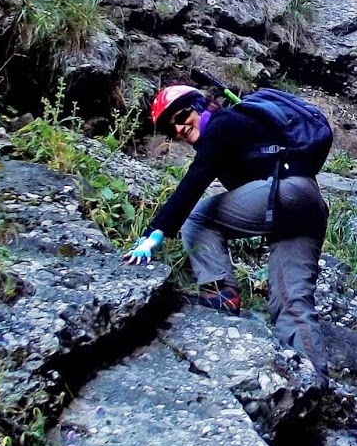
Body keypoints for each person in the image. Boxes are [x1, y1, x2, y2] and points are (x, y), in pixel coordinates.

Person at [124, 83, 331, 372]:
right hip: (308, 207)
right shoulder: (240, 127)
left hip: (285, 193)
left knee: (197, 217)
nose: (180, 129)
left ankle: (220, 291)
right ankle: (315, 379)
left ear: (200, 106)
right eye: (172, 129)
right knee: (291, 300)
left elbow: (195, 179)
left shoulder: (223, 123)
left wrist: (153, 235)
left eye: (182, 116)